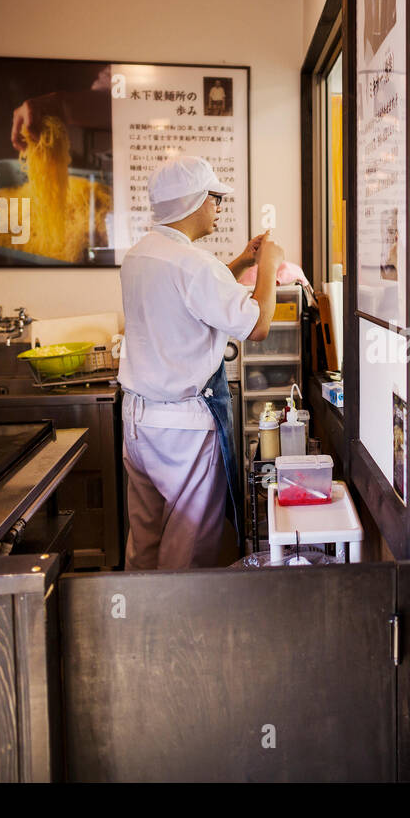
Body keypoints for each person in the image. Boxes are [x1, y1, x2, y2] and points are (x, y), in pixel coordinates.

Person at [119, 155, 283, 570]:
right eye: (215, 197)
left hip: (138, 421)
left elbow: (188, 297)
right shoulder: (195, 265)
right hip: (183, 430)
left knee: (147, 540)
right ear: (194, 201)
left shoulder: (142, 254)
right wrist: (269, 265)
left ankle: (140, 625)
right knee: (188, 548)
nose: (219, 207)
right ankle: (181, 632)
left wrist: (243, 262)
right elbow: (258, 324)